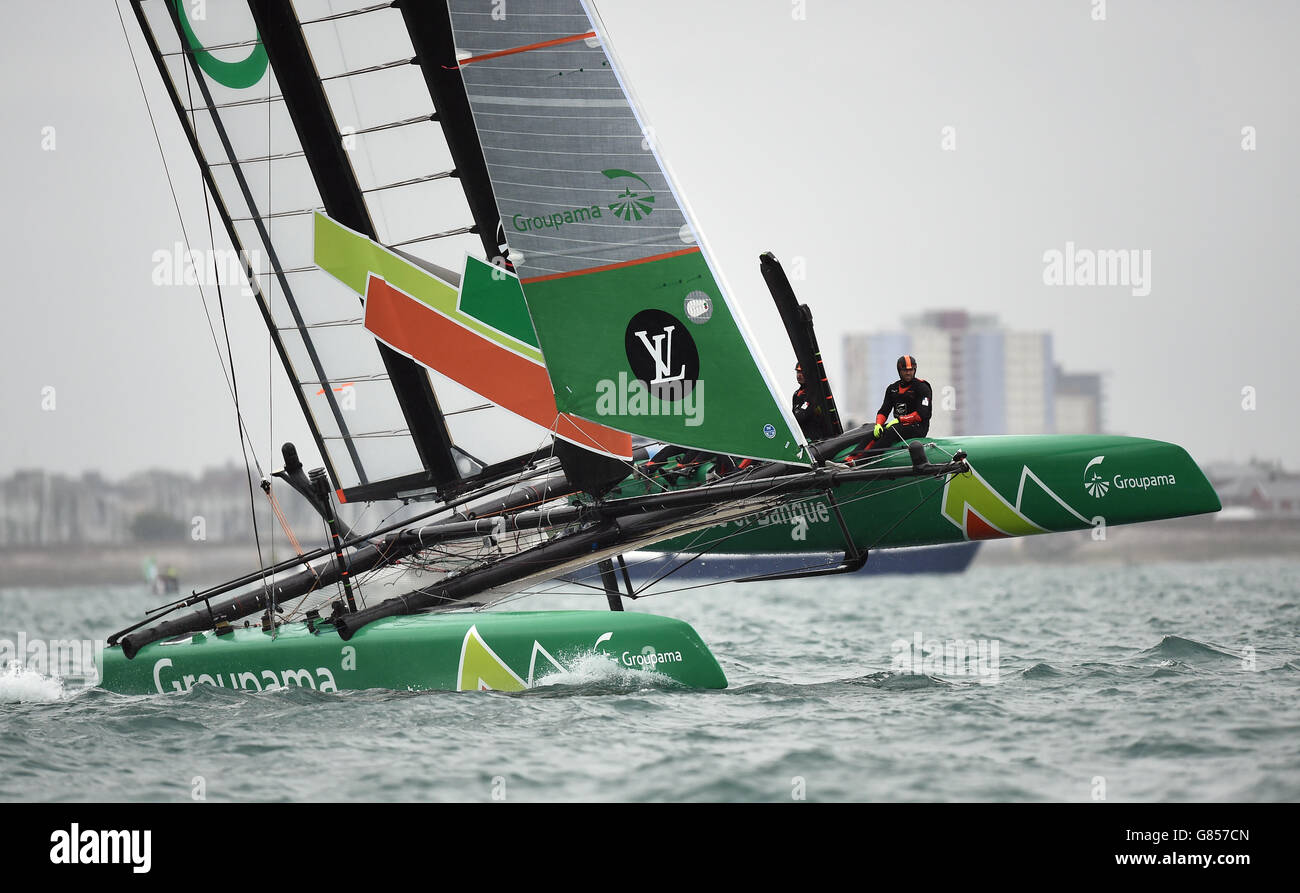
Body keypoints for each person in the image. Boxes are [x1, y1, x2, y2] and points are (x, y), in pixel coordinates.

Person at [850, 355, 931, 456]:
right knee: (874, 433)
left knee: (891, 431)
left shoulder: (922, 387)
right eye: (905, 370)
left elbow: (922, 414)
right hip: (899, 425)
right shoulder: (892, 389)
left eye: (911, 370)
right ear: (899, 371)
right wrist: (878, 424)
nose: (908, 373)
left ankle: (862, 461)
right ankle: (849, 460)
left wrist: (900, 420)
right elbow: (884, 411)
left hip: (918, 427)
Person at [792, 363, 832, 440]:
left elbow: (801, 416)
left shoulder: (815, 393)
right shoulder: (796, 394)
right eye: (798, 372)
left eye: (802, 372)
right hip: (802, 438)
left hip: (815, 439)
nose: (799, 375)